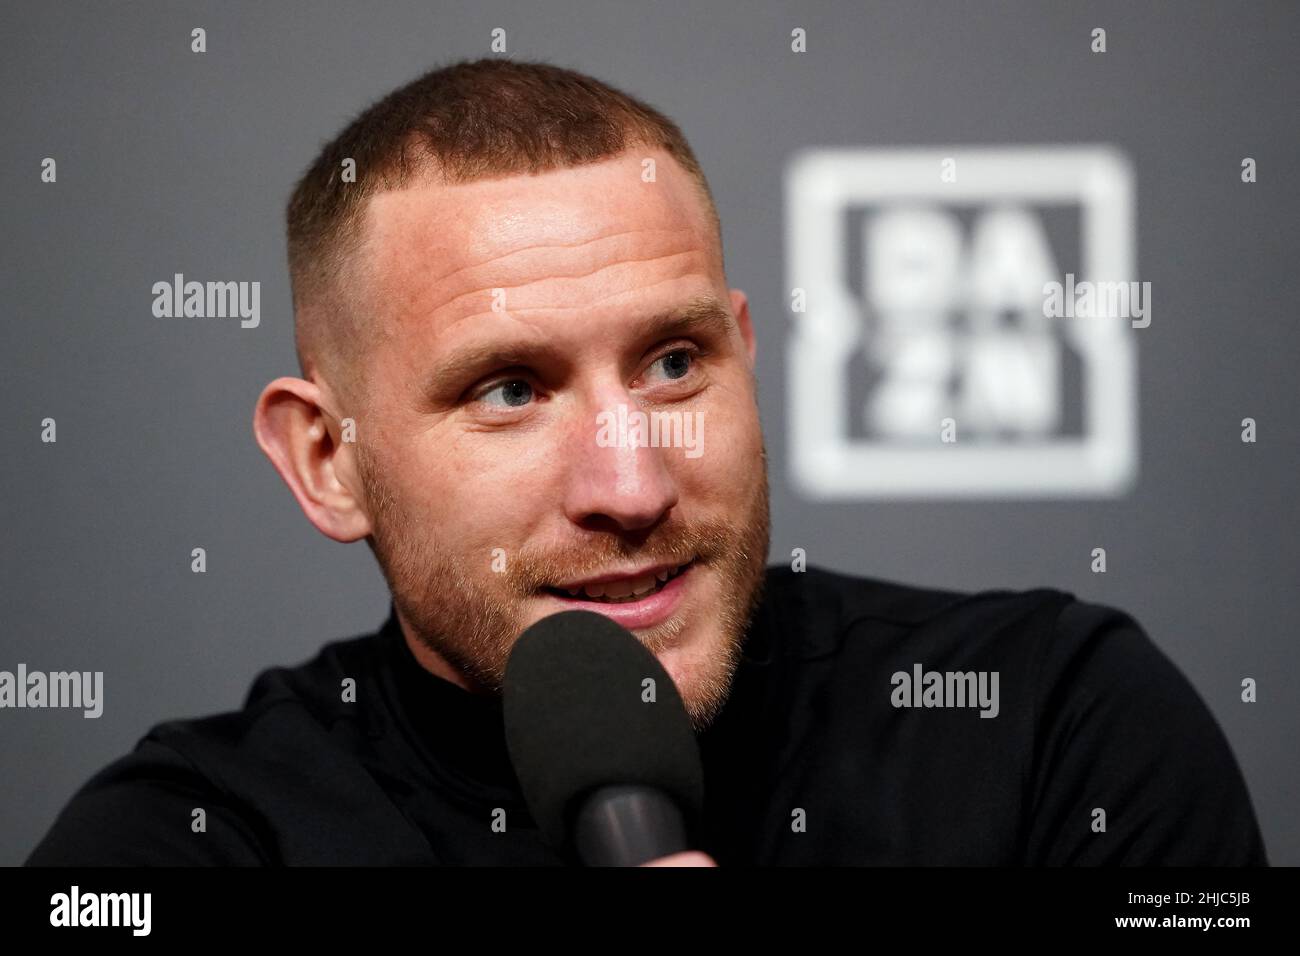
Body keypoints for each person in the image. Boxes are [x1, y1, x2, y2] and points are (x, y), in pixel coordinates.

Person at [27, 58, 1266, 866]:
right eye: (509, 390)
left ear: (743, 351)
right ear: (326, 459)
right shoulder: (179, 846)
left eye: (674, 364)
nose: (631, 485)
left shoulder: (1058, 725)